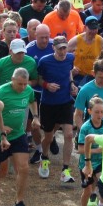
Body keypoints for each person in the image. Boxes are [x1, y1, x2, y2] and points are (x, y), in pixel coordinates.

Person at [0, 68, 39, 206]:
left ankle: (19, 202)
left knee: (24, 168)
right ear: (12, 80)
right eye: (19, 84)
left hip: (18, 135)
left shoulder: (28, 90)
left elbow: (33, 101)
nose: (22, 87)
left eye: (25, 84)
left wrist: (35, 116)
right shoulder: (0, 92)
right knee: (1, 172)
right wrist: (2, 128)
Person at [35, 36, 76, 180]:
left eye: (65, 47)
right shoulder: (44, 61)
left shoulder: (70, 58)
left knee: (69, 135)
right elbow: (38, 79)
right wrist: (47, 85)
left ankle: (65, 170)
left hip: (65, 102)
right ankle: (44, 157)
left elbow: (69, 72)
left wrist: (71, 84)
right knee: (48, 136)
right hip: (48, 103)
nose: (63, 51)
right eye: (60, 48)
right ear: (54, 48)